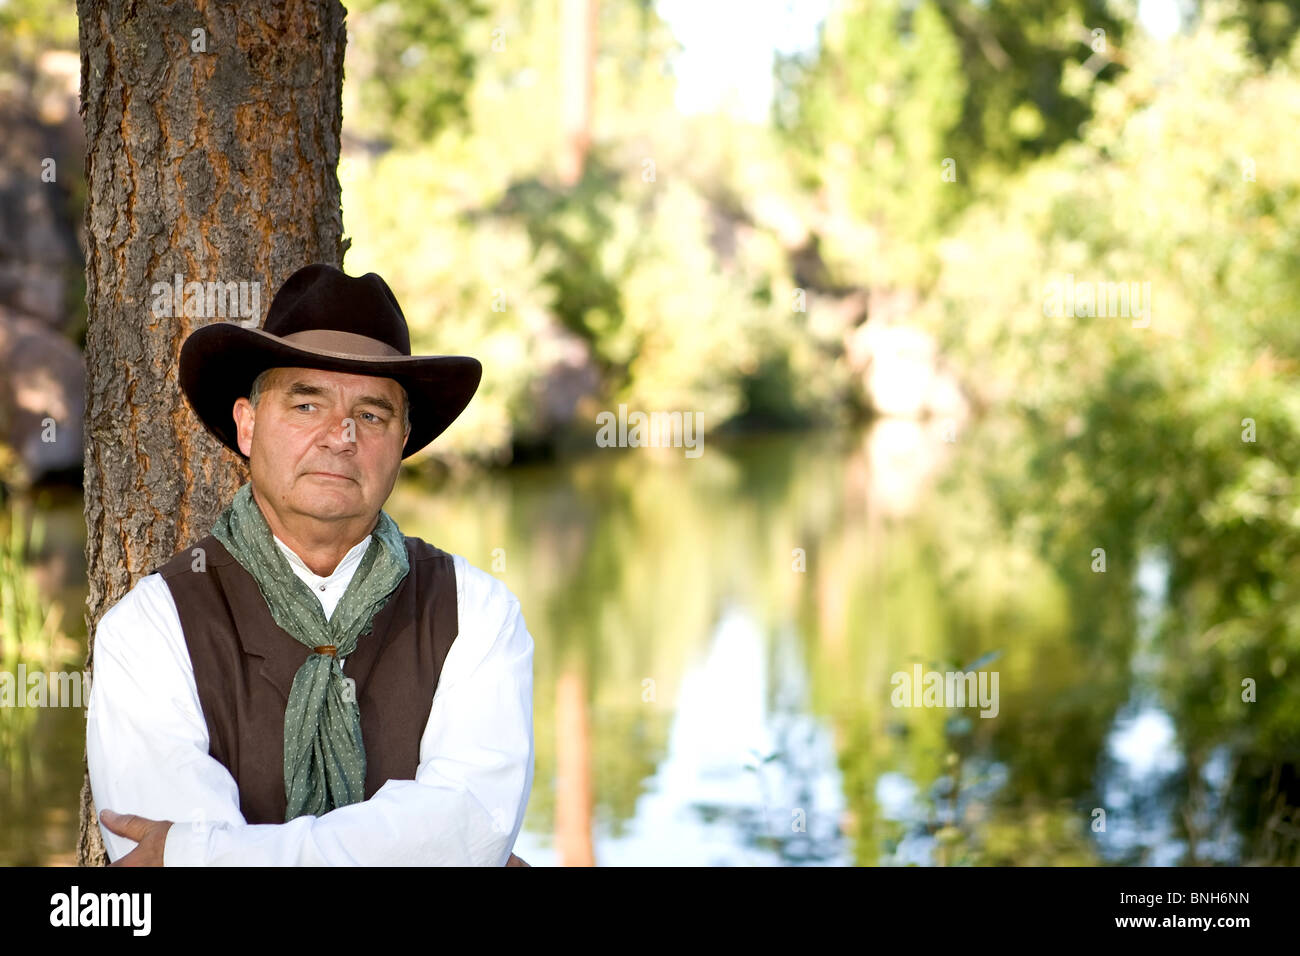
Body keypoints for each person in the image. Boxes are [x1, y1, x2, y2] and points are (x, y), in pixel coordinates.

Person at [86, 263, 534, 866]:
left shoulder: (476, 616)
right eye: (305, 405)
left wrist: (202, 853)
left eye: (372, 414)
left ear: (403, 439)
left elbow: (468, 830)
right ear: (247, 424)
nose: (341, 435)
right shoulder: (149, 628)